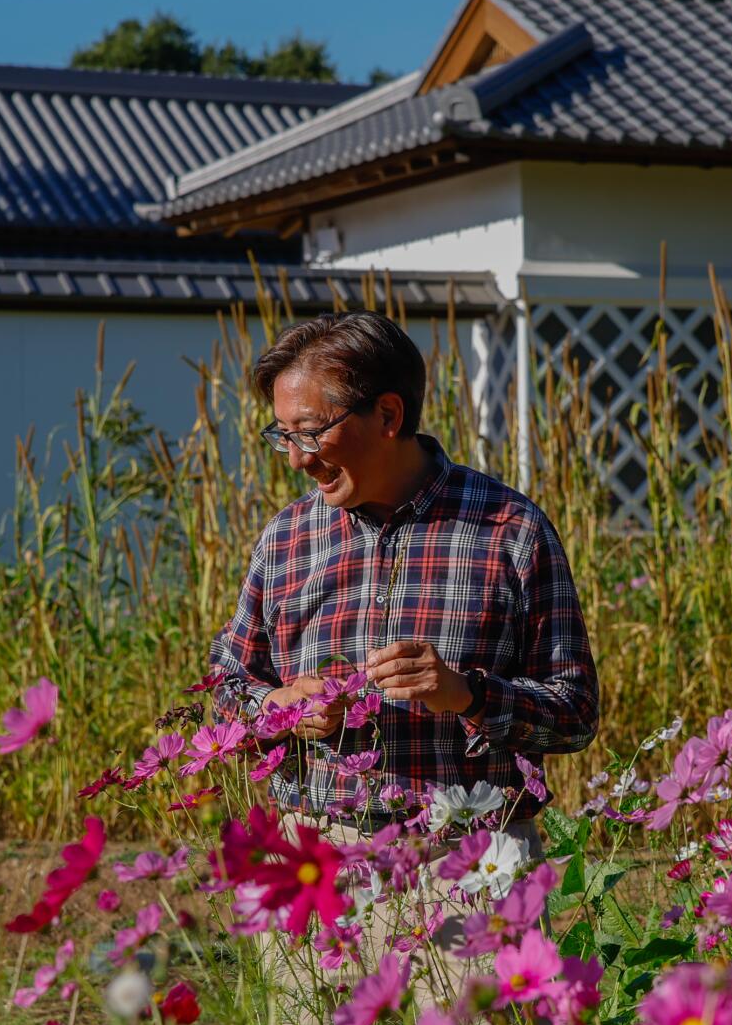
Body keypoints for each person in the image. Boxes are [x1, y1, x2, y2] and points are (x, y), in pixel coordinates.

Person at [209, 309, 599, 834]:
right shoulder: (286, 538)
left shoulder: (510, 530)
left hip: (470, 864)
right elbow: (228, 687)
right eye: (283, 436)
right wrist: (280, 705)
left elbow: (574, 716)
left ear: (389, 415)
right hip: (316, 861)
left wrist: (469, 695)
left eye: (308, 433)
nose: (296, 460)